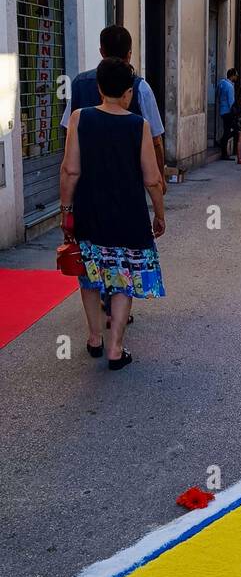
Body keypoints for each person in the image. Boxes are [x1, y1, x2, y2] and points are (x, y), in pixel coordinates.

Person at [59, 57, 165, 371]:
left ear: (99, 88)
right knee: (123, 280)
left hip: (90, 212)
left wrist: (66, 212)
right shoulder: (138, 125)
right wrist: (159, 214)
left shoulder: (80, 118)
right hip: (129, 216)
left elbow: (70, 170)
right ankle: (116, 348)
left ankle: (94, 338)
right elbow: (152, 178)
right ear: (128, 93)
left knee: (90, 276)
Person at [62, 24, 166, 194]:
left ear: (101, 52)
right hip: (128, 184)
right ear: (129, 55)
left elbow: (68, 134)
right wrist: (159, 177)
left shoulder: (79, 83)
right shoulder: (140, 87)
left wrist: (66, 202)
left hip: (88, 184)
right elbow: (156, 141)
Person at [217, 68, 238, 159]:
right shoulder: (230, 86)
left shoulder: (221, 83)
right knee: (233, 130)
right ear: (232, 75)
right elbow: (231, 102)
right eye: (236, 75)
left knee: (227, 130)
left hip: (222, 110)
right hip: (228, 112)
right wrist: (234, 113)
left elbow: (218, 95)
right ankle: (223, 149)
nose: (236, 77)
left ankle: (223, 146)